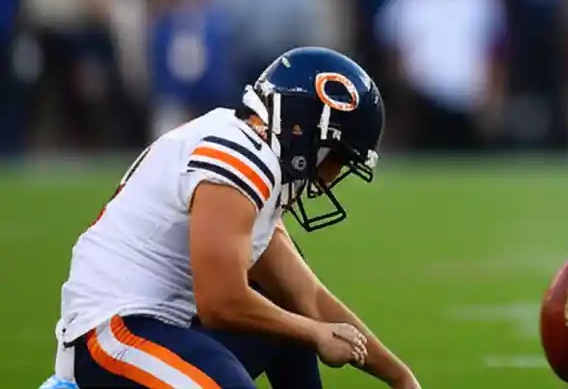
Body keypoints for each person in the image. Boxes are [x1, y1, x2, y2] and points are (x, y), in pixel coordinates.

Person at [45, 47, 420, 388]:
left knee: (283, 305)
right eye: (335, 156)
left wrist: (400, 377)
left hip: (165, 327)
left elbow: (310, 299)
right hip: (114, 331)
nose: (331, 176)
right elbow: (221, 302)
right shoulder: (240, 158)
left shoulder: (252, 156)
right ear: (302, 129)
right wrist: (315, 333)